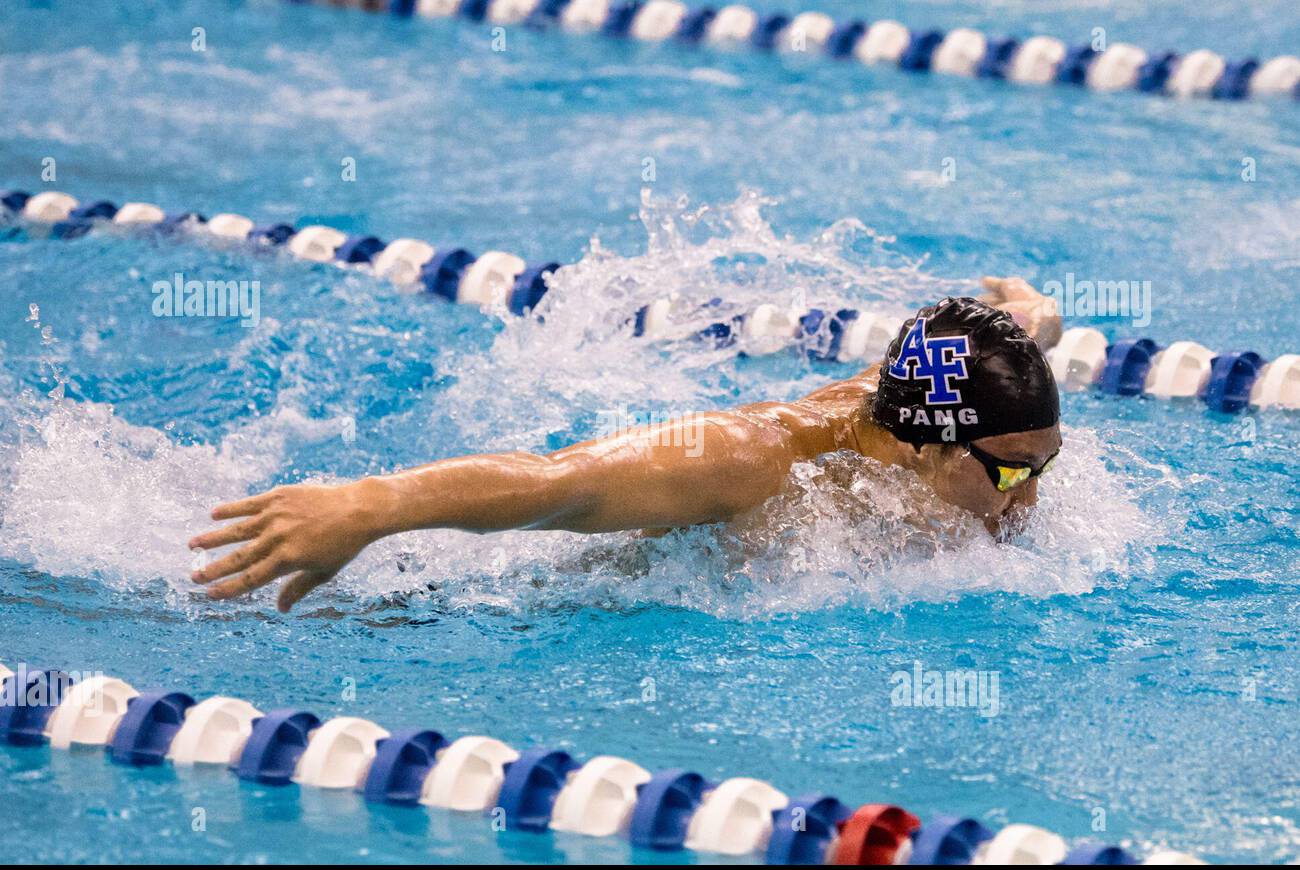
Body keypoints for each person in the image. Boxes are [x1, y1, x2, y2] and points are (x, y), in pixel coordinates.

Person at [189, 277, 1064, 611]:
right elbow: (553, 482)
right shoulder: (750, 457)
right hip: (501, 601)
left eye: (1044, 465)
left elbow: (1009, 334)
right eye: (1015, 474)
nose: (1030, 498)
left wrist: (1035, 318)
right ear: (924, 449)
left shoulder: (960, 414)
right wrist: (366, 506)